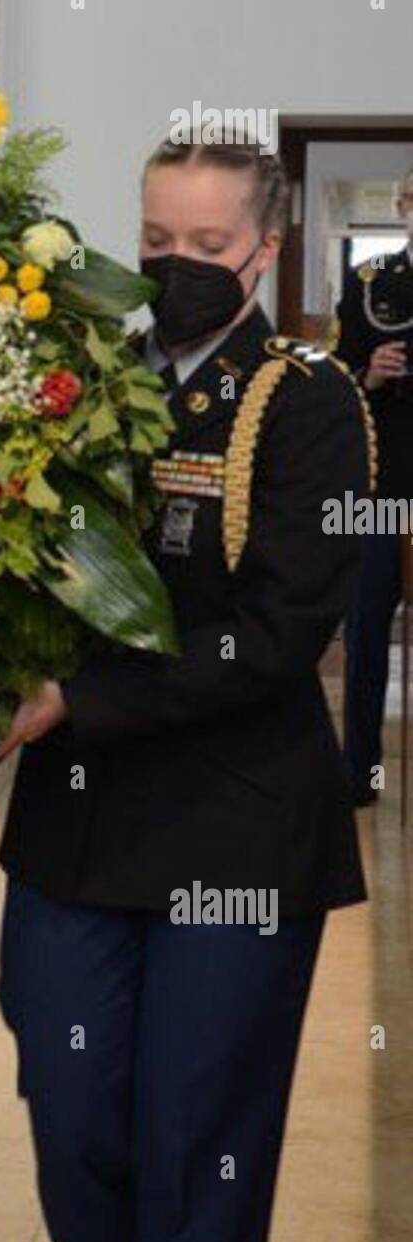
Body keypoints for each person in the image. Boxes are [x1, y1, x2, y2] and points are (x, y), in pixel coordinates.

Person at [0, 135, 374, 1242]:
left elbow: (275, 634)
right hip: (76, 828)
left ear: (264, 251)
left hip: (236, 828)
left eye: (207, 245)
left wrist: (81, 696)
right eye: (156, 240)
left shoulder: (308, 404)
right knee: (73, 1125)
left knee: (195, 1142)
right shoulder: (72, 382)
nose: (176, 266)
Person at [331, 170, 413, 806]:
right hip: (384, 484)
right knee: (364, 623)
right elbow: (337, 386)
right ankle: (358, 771)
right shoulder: (371, 282)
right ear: (402, 205)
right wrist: (371, 373)